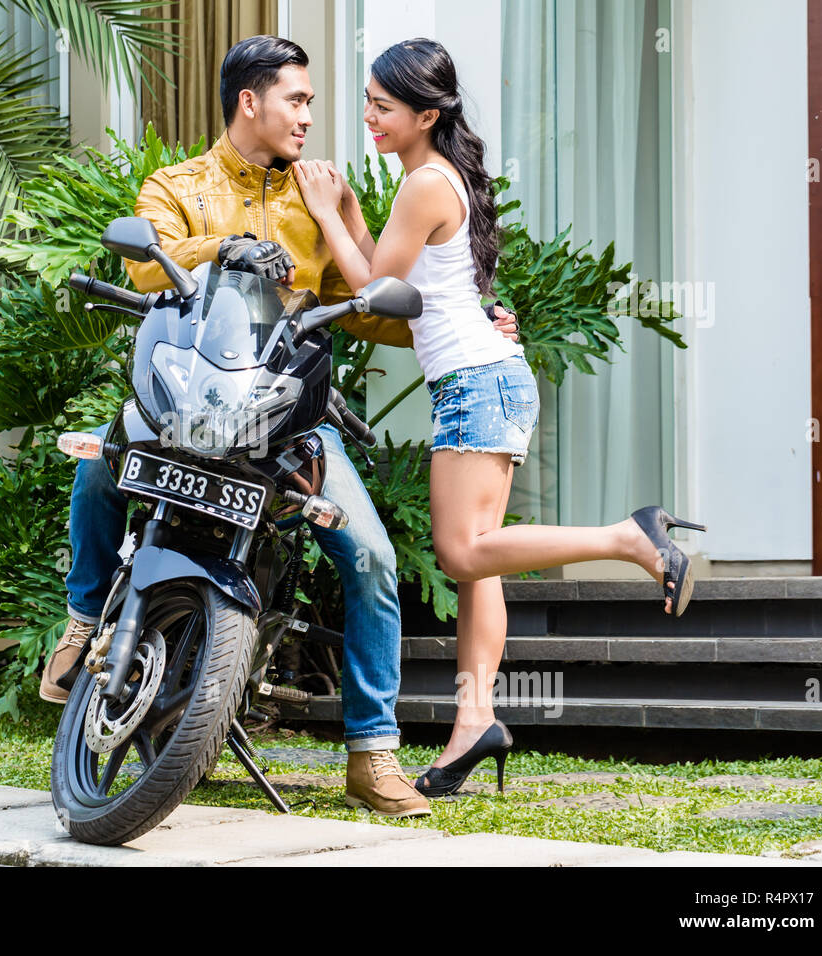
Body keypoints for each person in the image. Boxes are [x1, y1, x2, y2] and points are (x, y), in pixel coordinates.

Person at [38, 34, 522, 818]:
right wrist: (224, 247)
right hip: (187, 397)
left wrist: (467, 318)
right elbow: (145, 256)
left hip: (286, 417)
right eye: (297, 100)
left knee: (368, 555)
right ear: (249, 101)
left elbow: (369, 299)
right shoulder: (178, 184)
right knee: (101, 459)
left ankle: (373, 753)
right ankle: (84, 620)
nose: (309, 117)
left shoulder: (315, 195)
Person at [293, 37, 706, 799]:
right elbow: (407, 277)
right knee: (486, 569)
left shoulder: (424, 184)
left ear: (426, 112)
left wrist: (323, 209)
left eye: (383, 107)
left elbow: (375, 295)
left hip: (477, 385)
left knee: (463, 553)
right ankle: (472, 724)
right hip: (490, 378)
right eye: (369, 103)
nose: (368, 118)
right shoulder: (433, 177)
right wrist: (348, 209)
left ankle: (628, 537)